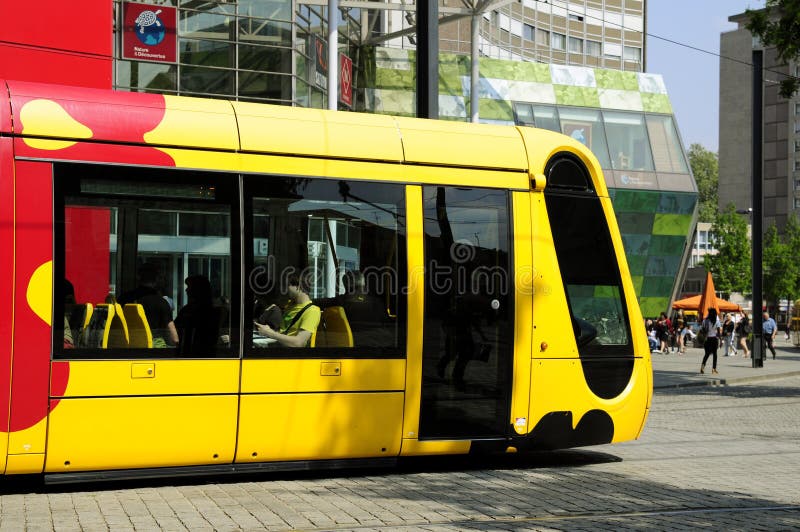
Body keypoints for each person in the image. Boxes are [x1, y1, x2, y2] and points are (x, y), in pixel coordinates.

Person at [118, 262, 178, 347]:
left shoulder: (124, 298)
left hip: (126, 348)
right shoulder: (162, 302)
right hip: (151, 352)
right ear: (157, 279)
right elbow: (174, 338)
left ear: (138, 277)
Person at [254, 274, 321, 348]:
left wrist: (270, 333)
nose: (285, 289)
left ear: (298, 287)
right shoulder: (290, 306)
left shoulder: (312, 311)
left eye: (287, 285)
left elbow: (299, 343)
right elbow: (283, 332)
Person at [174, 275, 221, 355]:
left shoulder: (212, 311)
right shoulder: (187, 309)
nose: (186, 290)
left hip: (201, 355)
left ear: (198, 289)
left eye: (189, 287)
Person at [700, 308, 722, 375]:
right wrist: (721, 340)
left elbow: (702, 330)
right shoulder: (717, 321)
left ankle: (702, 366)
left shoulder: (704, 321)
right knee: (715, 354)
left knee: (706, 354)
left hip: (707, 339)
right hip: (714, 339)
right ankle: (713, 369)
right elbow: (718, 333)